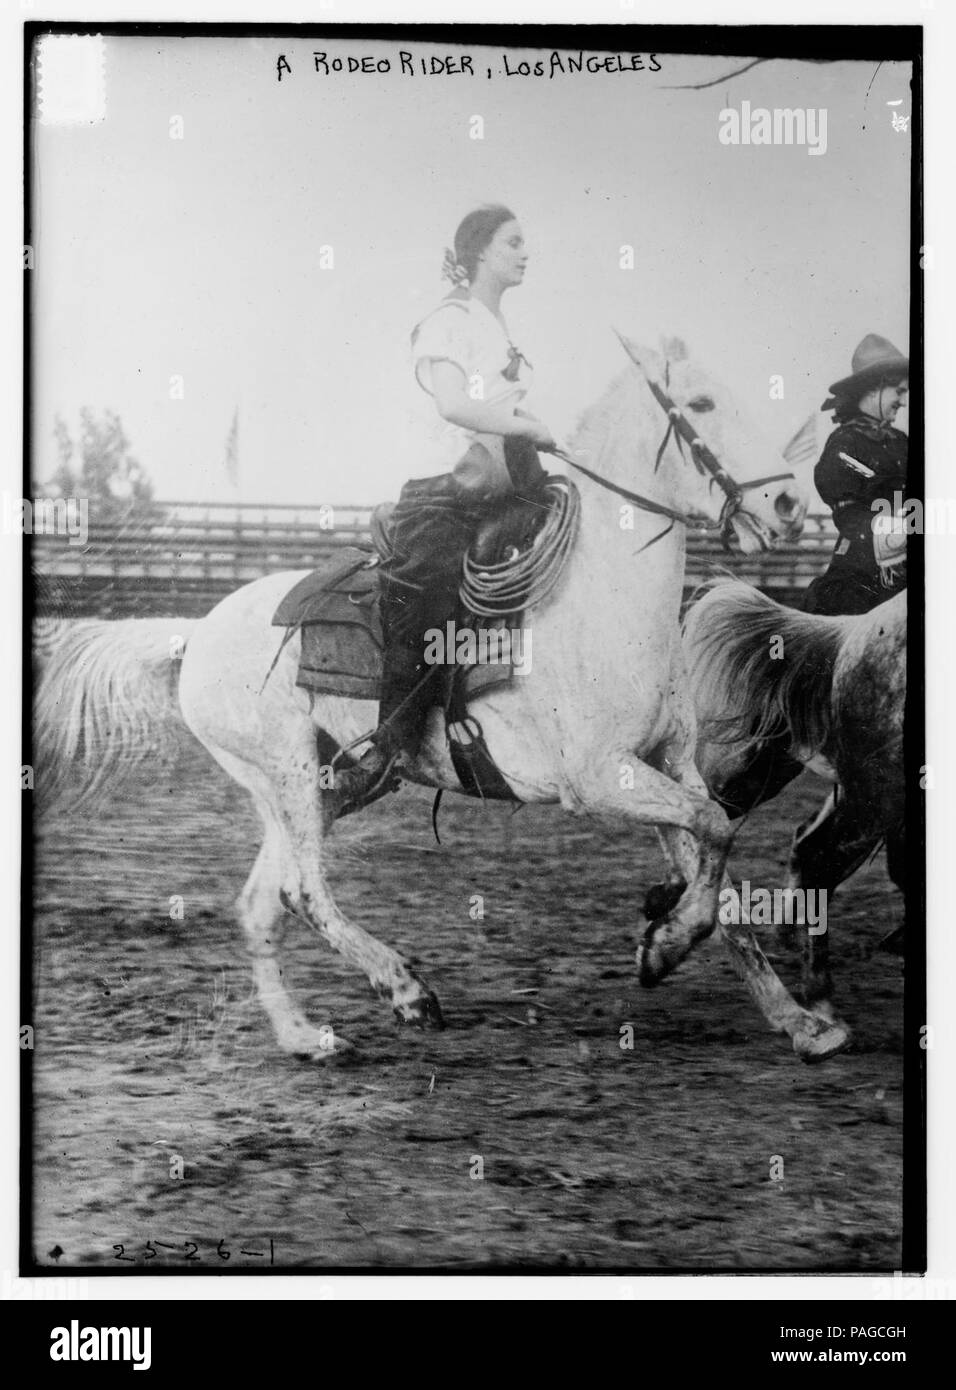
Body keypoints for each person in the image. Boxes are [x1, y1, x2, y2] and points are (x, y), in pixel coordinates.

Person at [331, 205, 556, 816]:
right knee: (426, 593)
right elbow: (455, 406)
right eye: (514, 242)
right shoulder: (448, 322)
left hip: (503, 482)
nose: (525, 252)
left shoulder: (496, 327)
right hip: (440, 492)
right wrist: (528, 425)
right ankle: (388, 747)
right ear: (481, 252)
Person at [802, 334, 909, 617]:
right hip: (860, 578)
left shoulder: (902, 441)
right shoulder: (844, 444)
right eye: (898, 392)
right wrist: (902, 534)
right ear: (875, 389)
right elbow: (850, 517)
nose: (904, 401)